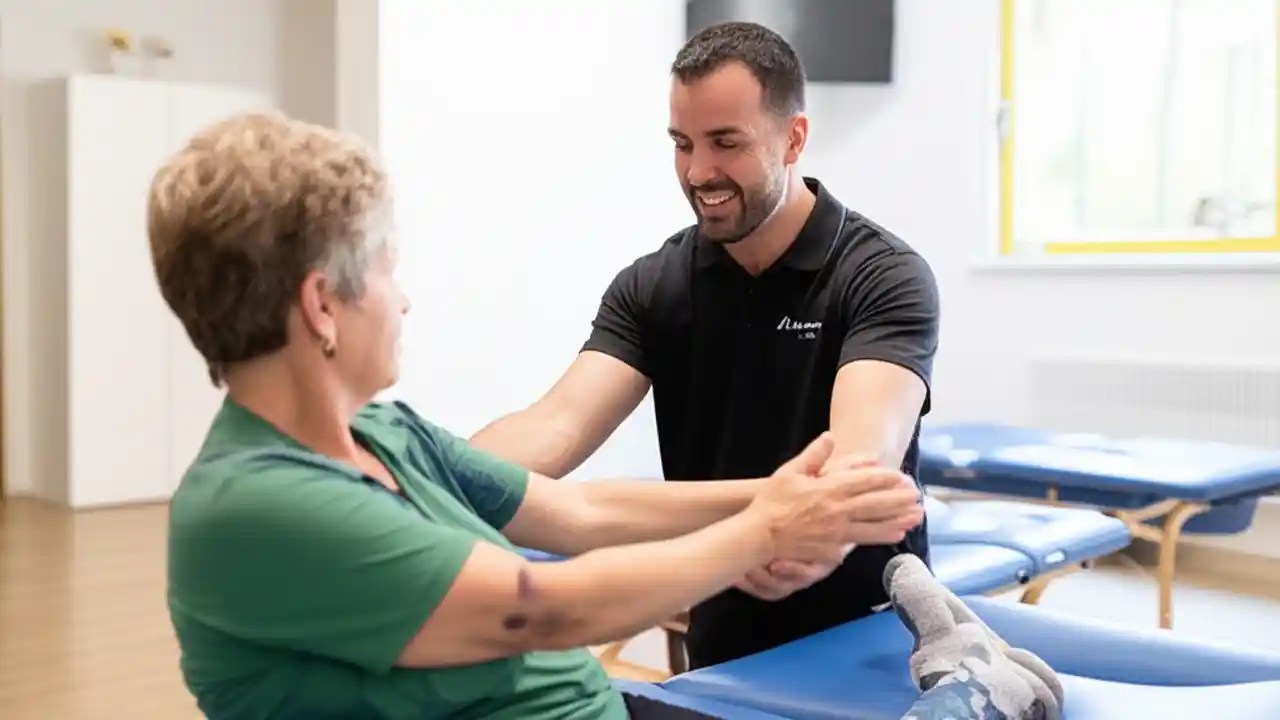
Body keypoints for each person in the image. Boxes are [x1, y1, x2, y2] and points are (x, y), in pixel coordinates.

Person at [151, 111, 1062, 720]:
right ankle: (970, 694)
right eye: (387, 273)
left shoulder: (385, 433)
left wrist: (779, 494)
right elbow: (542, 607)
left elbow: (575, 513)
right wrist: (766, 529)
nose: (404, 300)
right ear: (322, 306)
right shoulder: (255, 507)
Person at [470, 20, 941, 669]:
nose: (698, 171)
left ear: (794, 137)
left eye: (726, 143)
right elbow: (552, 426)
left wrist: (803, 538)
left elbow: (860, 461)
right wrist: (422, 470)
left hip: (871, 642)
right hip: (724, 633)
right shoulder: (654, 287)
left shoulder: (879, 275)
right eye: (682, 144)